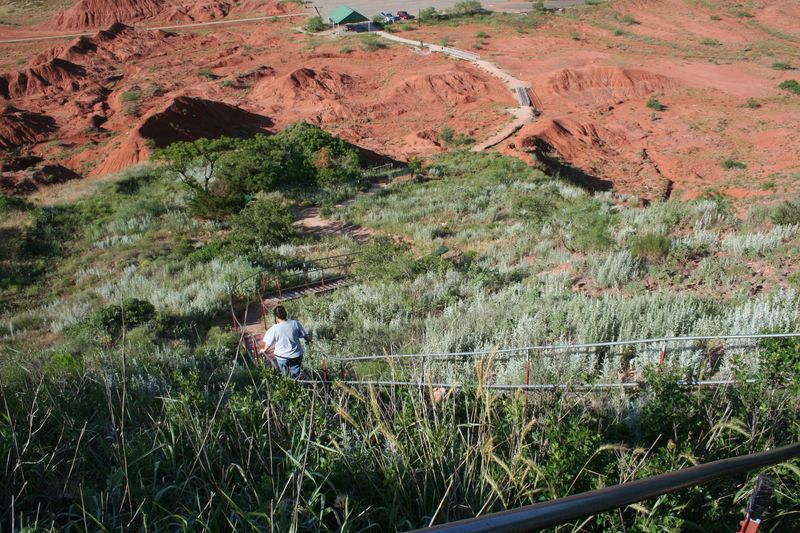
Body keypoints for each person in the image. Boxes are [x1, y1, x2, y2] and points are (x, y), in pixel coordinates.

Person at [260, 305, 310, 379]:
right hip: (296, 354)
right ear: (286, 314)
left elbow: (268, 342)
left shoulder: (274, 328)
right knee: (295, 373)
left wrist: (264, 350)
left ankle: (287, 386)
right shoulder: (295, 323)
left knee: (285, 375)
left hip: (282, 356)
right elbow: (305, 335)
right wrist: (309, 340)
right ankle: (295, 385)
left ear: (276, 317)